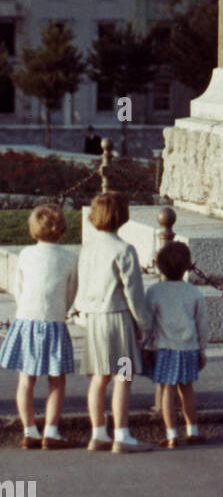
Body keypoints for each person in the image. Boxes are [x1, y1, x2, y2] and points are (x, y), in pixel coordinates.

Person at [75, 191, 152, 454]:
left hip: (95, 319)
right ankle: (122, 434)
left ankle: (98, 433)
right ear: (123, 216)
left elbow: (82, 283)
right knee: (123, 377)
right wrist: (145, 324)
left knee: (99, 377)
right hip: (119, 319)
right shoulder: (125, 250)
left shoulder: (88, 248)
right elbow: (134, 293)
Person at [0, 203, 78, 450]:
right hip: (53, 322)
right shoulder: (70, 258)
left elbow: (18, 288)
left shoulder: (25, 254)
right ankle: (51, 431)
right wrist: (61, 311)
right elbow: (71, 292)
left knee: (26, 380)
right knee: (56, 381)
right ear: (62, 229)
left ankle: (30, 430)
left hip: (26, 320)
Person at [143, 241, 208, 449]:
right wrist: (202, 348)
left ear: (159, 266)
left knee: (167, 391)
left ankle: (171, 434)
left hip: (164, 349)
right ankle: (193, 430)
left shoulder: (154, 292)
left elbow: (148, 322)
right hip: (188, 348)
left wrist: (146, 345)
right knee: (187, 390)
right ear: (188, 266)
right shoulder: (194, 292)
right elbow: (202, 324)